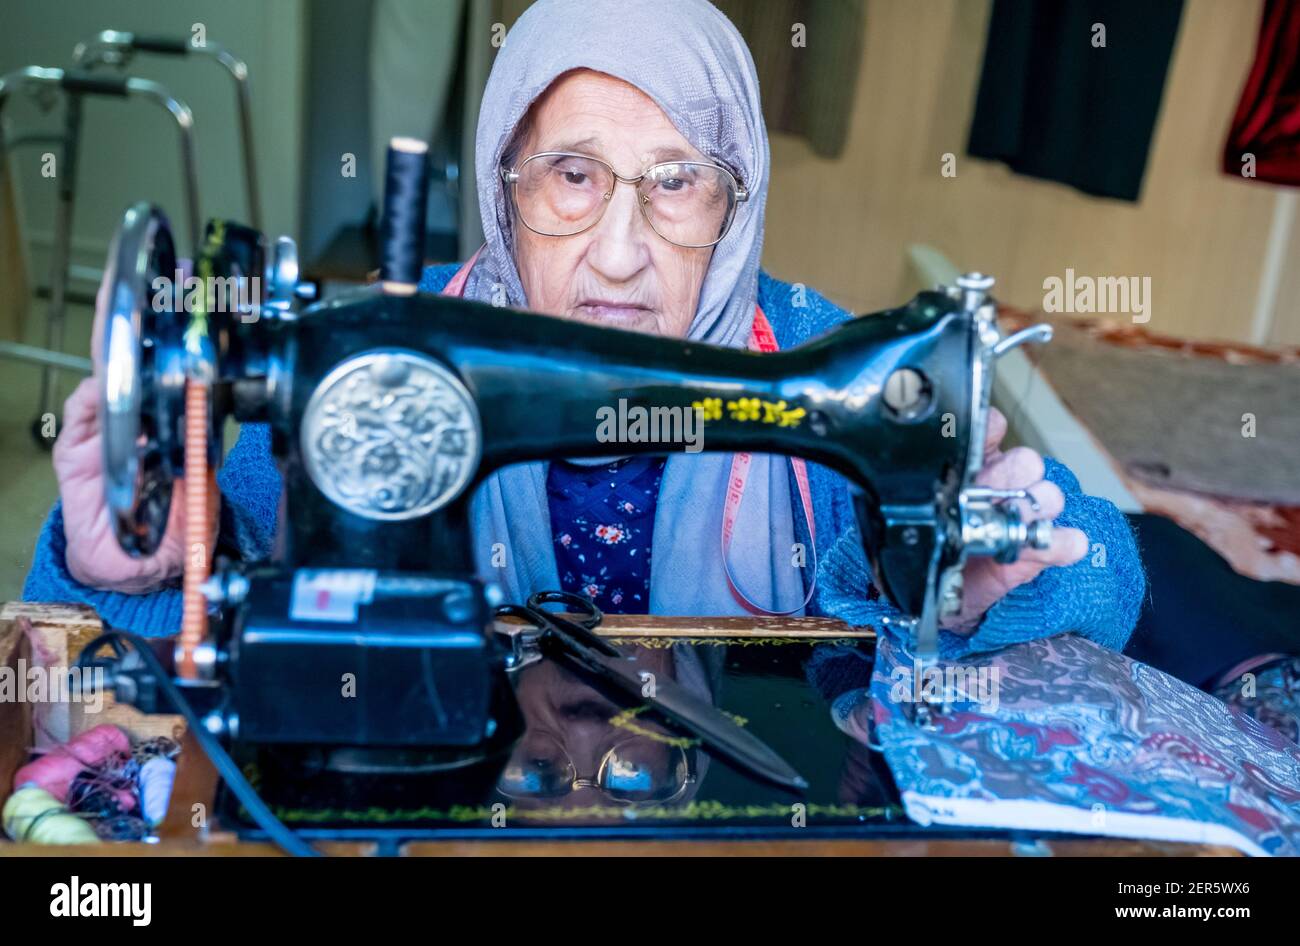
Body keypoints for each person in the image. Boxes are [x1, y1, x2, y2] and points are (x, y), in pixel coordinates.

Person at [25, 0, 1144, 661]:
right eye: (571, 176)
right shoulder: (369, 368)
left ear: (737, 202)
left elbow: (1104, 578)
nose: (619, 250)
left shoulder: (819, 350)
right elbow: (105, 666)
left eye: (677, 183)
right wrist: (119, 570)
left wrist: (946, 604)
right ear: (500, 187)